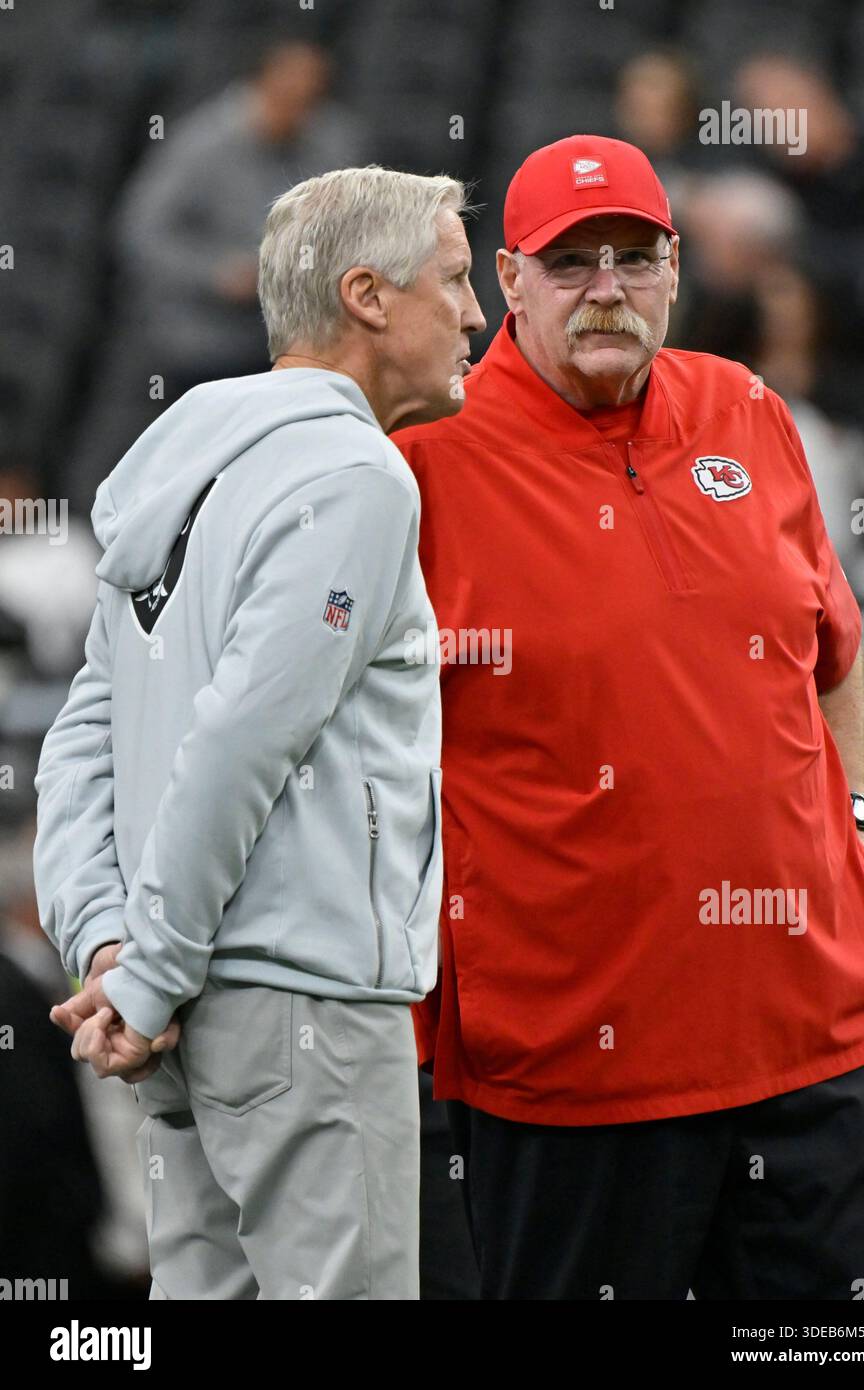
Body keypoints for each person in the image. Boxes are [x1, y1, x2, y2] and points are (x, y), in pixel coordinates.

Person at [392, 135, 864, 1300]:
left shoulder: (746, 407)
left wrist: (851, 825)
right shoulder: (421, 457)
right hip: (575, 1070)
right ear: (506, 280)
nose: (607, 289)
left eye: (633, 256)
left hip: (810, 1036)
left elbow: (831, 650)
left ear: (674, 268)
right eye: (571, 264)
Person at [33, 165, 486, 1300]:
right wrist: (145, 974)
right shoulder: (356, 474)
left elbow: (79, 741)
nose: (476, 313)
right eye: (456, 279)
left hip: (185, 1013)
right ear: (368, 296)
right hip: (305, 1014)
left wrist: (109, 945)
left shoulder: (176, 467)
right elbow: (243, 738)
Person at [115, 39, 367, 396]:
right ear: (260, 83)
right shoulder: (200, 144)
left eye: (307, 100)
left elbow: (354, 226)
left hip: (296, 339)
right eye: (286, 96)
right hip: (206, 339)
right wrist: (217, 273)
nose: (296, 110)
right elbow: (143, 230)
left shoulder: (333, 141)